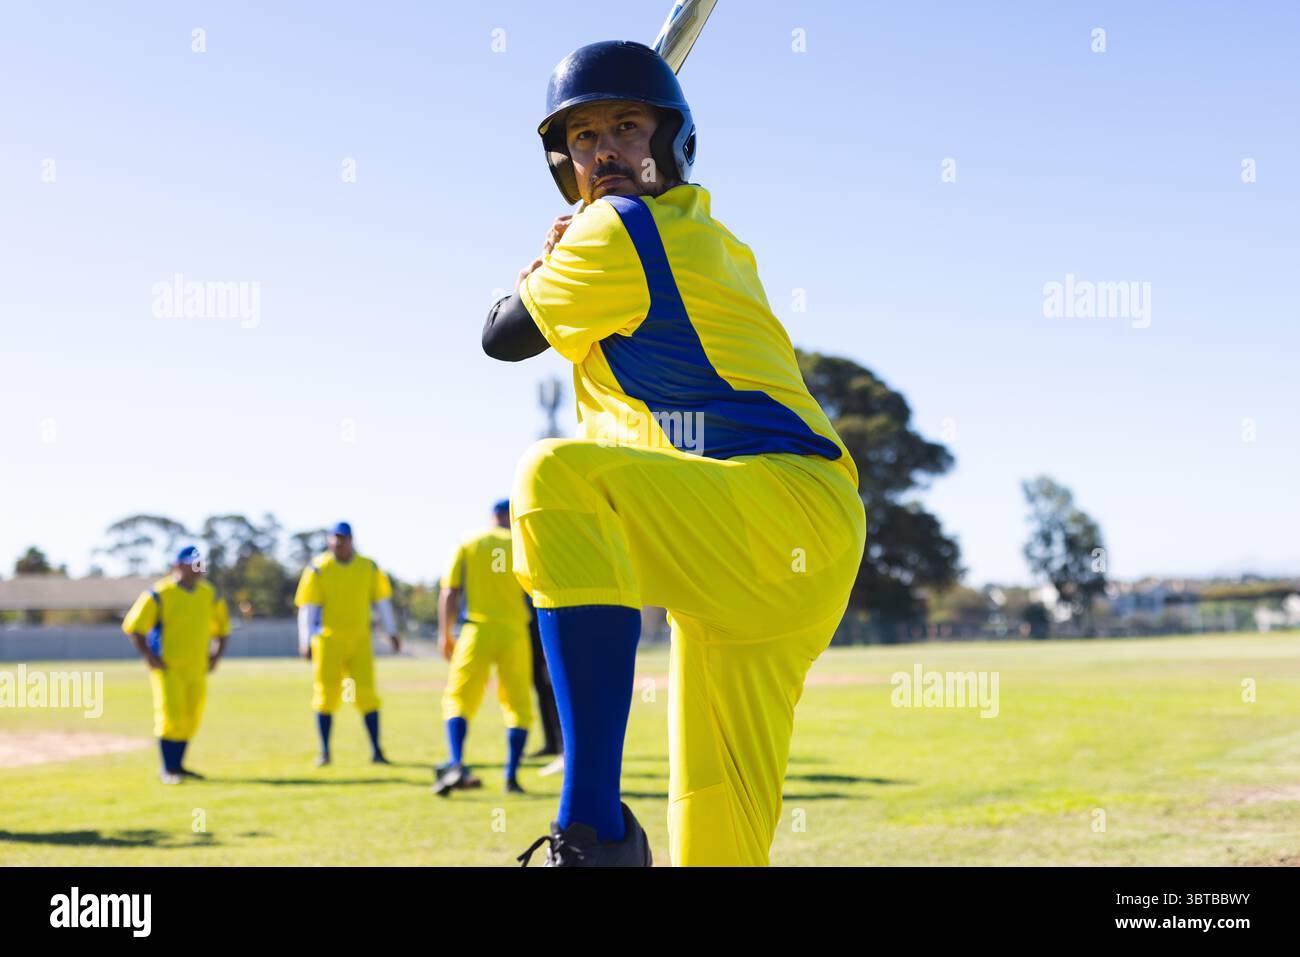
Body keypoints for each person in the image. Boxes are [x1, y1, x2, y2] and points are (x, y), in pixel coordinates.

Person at [485, 41, 866, 866]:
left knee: (555, 477)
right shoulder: (701, 232)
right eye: (583, 138)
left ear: (671, 141)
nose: (604, 150)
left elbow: (500, 335)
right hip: (775, 543)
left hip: (771, 505)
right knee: (718, 841)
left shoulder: (618, 227)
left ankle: (593, 828)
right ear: (565, 161)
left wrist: (546, 256)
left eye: (627, 125)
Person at [434, 499, 534, 796]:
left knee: (458, 700)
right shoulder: (523, 541)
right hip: (514, 631)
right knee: (517, 706)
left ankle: (456, 763)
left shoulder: (469, 541)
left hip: (476, 630)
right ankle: (511, 777)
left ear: (493, 516)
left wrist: (445, 633)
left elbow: (450, 591)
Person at [294, 521, 400, 766]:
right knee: (326, 695)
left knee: (366, 694)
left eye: (343, 538)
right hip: (328, 641)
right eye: (335, 538)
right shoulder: (318, 568)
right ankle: (324, 752)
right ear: (329, 540)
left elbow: (382, 602)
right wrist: (305, 639)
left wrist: (392, 631)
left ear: (351, 540)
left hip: (359, 640)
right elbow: (307, 607)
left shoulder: (368, 567)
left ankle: (376, 751)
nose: (339, 543)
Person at [122, 545, 230, 784]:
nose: (197, 569)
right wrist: (150, 657)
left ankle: (179, 766)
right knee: (171, 717)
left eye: (200, 564)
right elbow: (134, 627)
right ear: (177, 566)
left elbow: (223, 629)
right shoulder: (160, 594)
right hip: (168, 667)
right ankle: (168, 769)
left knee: (191, 717)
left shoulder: (208, 593)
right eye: (192, 564)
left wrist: (215, 656)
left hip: (197, 667)